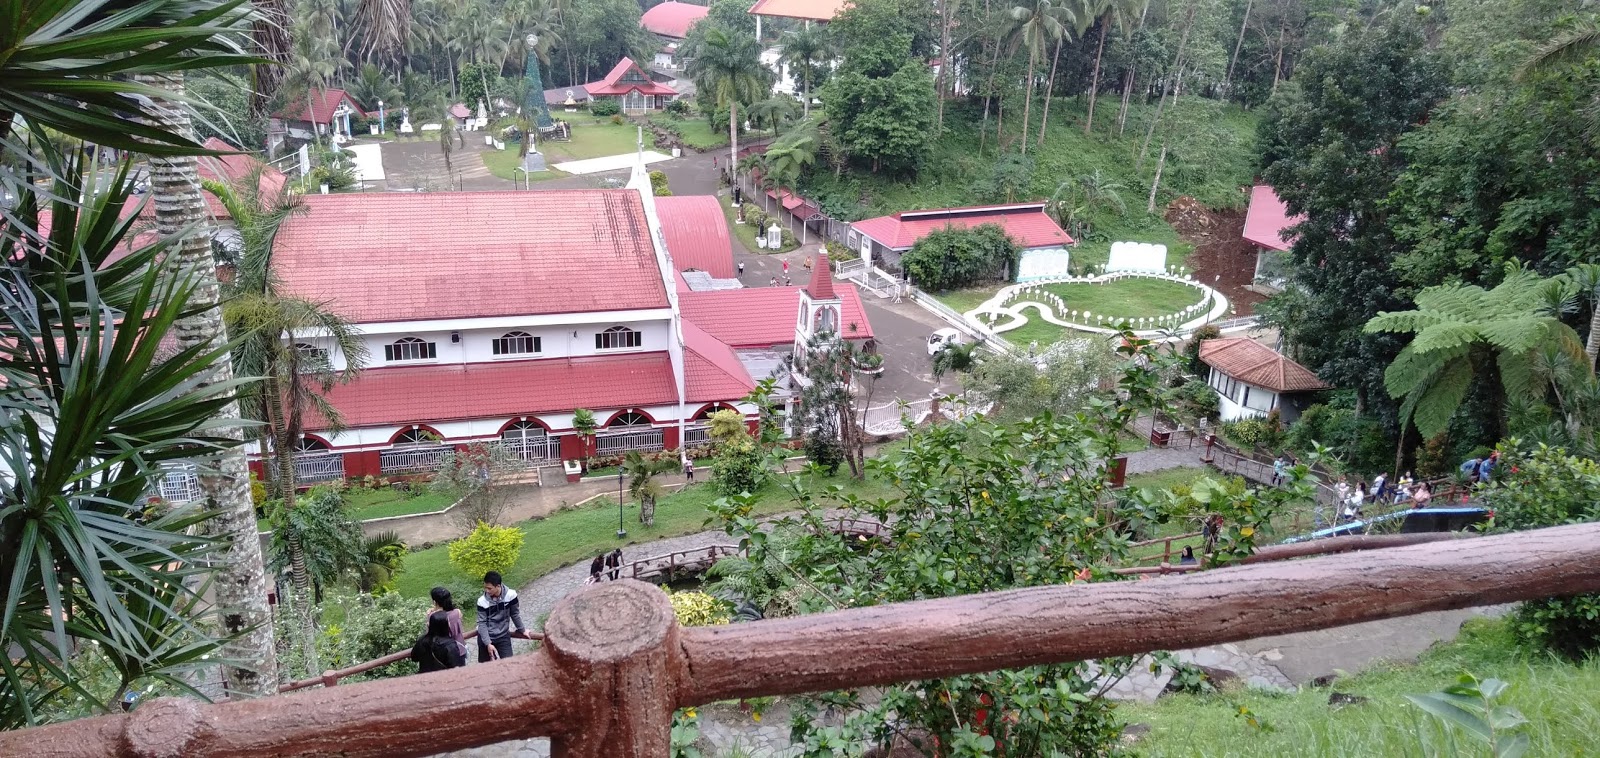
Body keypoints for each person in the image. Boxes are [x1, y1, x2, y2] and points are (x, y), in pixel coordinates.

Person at [476, 571, 529, 662]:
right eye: (485, 588)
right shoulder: (482, 601)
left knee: (509, 664)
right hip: (486, 638)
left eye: (489, 588)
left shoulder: (511, 595)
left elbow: (515, 614)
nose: (486, 591)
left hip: (503, 636)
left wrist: (522, 630)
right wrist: (488, 643)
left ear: (498, 586)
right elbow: (482, 623)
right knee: (485, 669)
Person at [429, 587, 467, 660]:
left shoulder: (433, 617)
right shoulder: (457, 612)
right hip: (460, 650)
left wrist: (432, 611)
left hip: (443, 655)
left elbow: (429, 634)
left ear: (434, 602)